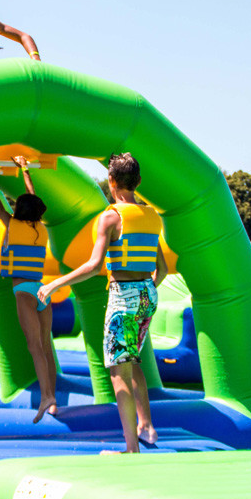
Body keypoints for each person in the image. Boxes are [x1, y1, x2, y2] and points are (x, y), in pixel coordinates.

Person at [37, 153, 167, 453]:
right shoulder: (151, 216)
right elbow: (162, 267)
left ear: (111, 181)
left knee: (118, 371)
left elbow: (95, 266)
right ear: (138, 182)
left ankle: (131, 449)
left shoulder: (111, 216)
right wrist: (145, 290)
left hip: (124, 295)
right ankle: (146, 426)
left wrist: (56, 283)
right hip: (148, 294)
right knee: (132, 360)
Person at [0, 155, 59, 423]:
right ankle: (52, 398)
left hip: (24, 291)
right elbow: (32, 195)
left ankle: (47, 396)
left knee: (34, 347)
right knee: (45, 346)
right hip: (41, 291)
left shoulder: (12, 225)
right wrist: (24, 168)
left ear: (19, 211)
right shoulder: (41, 227)